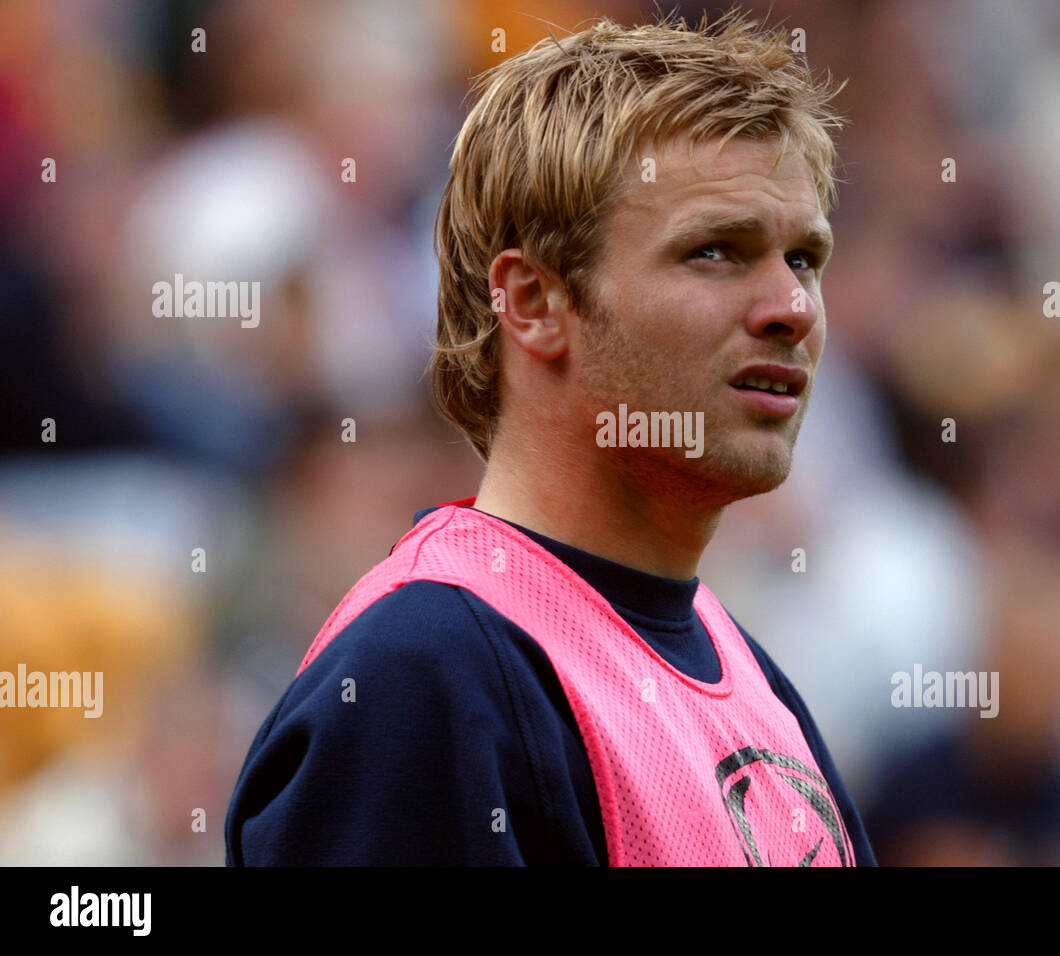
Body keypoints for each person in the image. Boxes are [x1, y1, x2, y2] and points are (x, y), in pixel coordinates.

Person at [225, 9, 875, 867]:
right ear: (531, 303)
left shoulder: (754, 680)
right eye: (717, 251)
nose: (791, 308)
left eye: (804, 259)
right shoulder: (421, 679)